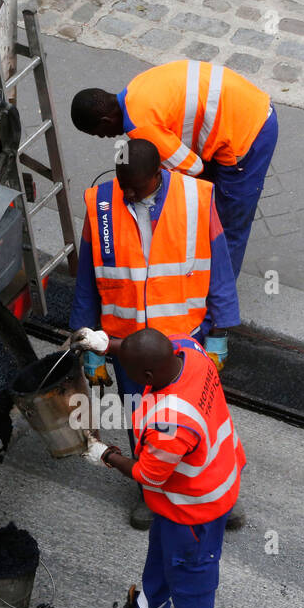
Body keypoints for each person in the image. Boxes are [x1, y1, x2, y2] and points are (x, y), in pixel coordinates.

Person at [69, 138, 243, 530]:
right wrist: (92, 346)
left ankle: (216, 496)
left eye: (135, 186)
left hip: (183, 348)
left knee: (199, 422)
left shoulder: (197, 198)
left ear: (158, 174)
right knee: (142, 423)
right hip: (129, 346)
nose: (126, 193)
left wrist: (221, 331)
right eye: (121, 183)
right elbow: (87, 279)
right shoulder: (100, 204)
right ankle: (152, 493)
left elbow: (220, 267)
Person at [81, 328, 245, 608]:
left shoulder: (171, 422)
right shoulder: (191, 351)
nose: (132, 383)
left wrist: (106, 455)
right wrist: (109, 345)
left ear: (149, 378)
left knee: (191, 580)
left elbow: (147, 475)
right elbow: (150, 347)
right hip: (185, 497)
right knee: (160, 556)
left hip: (196, 509)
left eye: (134, 376)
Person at [71, 60, 278, 278]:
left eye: (99, 133)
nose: (105, 138)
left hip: (248, 132)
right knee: (209, 211)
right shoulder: (134, 90)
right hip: (245, 103)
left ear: (106, 120)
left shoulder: (141, 126)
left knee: (229, 224)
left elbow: (196, 169)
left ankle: (218, 296)